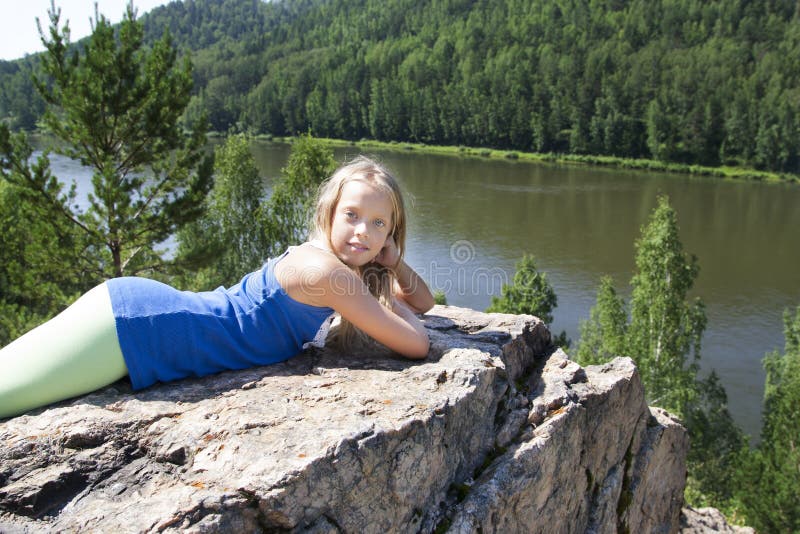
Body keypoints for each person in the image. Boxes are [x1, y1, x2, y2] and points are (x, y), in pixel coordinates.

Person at [0, 156, 434, 419]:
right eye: (353, 215)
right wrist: (386, 296)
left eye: (379, 224)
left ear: (392, 232)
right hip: (134, 329)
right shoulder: (332, 276)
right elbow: (416, 343)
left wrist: (393, 263)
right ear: (330, 211)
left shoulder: (335, 265)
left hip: (140, 319)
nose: (363, 232)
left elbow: (424, 302)